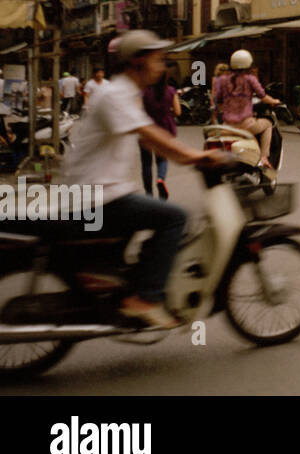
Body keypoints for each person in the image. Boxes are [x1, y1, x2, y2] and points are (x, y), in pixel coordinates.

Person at [62, 30, 229, 329]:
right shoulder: (116, 95)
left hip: (101, 190)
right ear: (138, 61)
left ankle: (124, 284)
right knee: (174, 217)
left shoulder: (125, 93)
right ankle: (147, 297)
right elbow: (149, 134)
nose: (162, 66)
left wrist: (185, 156)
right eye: (157, 59)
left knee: (149, 212)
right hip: (97, 195)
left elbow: (149, 138)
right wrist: (196, 157)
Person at [212, 49, 280, 167]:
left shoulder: (222, 80)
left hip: (227, 126)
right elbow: (262, 96)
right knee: (268, 124)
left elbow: (218, 100)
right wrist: (275, 101)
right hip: (246, 125)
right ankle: (264, 157)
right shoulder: (250, 79)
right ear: (248, 64)